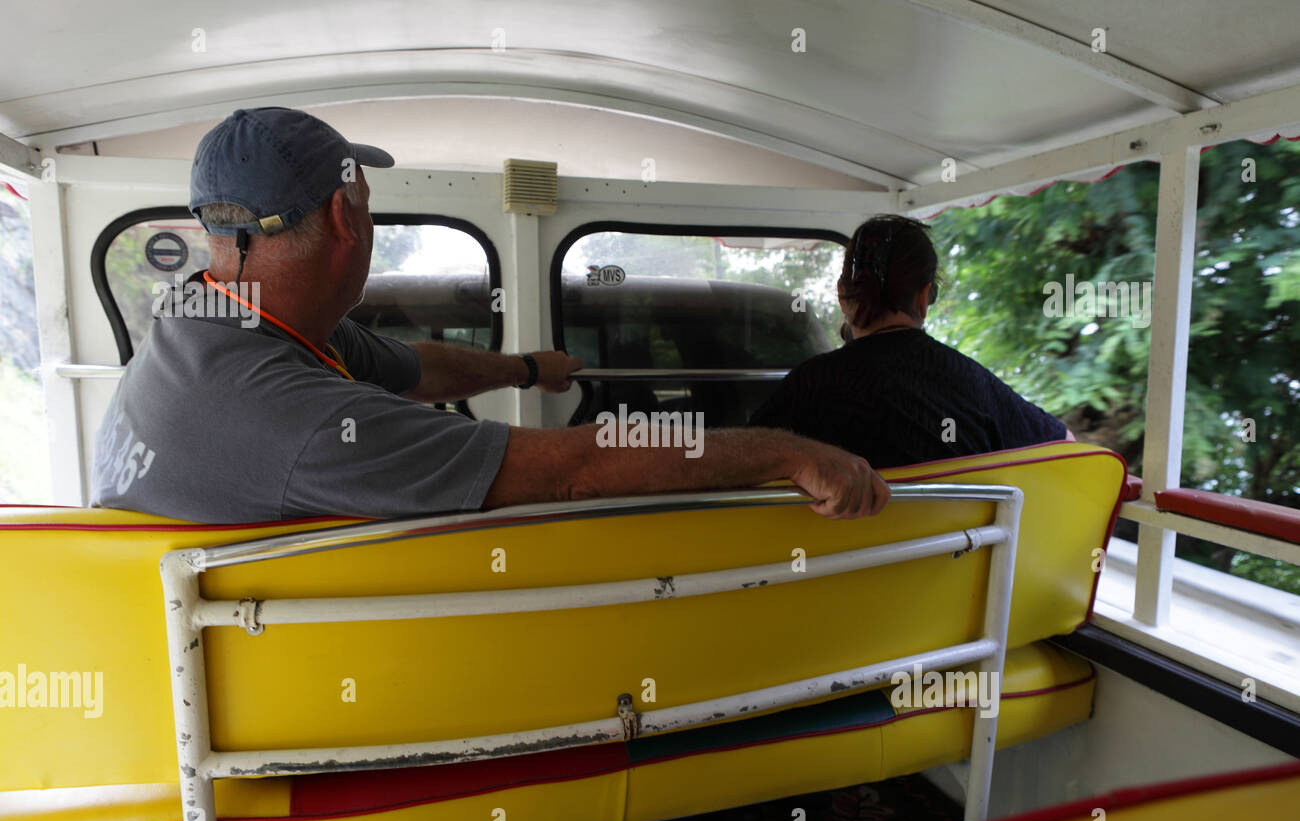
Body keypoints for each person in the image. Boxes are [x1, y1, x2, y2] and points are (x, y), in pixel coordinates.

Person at [91, 108, 890, 523]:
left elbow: (414, 367)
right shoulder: (283, 414)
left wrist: (525, 371)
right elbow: (573, 470)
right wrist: (783, 454)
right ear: (345, 216)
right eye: (371, 208)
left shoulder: (211, 318)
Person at [749, 214, 1072, 466]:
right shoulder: (974, 382)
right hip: (954, 550)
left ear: (842, 295)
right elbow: (1069, 449)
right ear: (923, 296)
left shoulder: (808, 386)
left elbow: (744, 466)